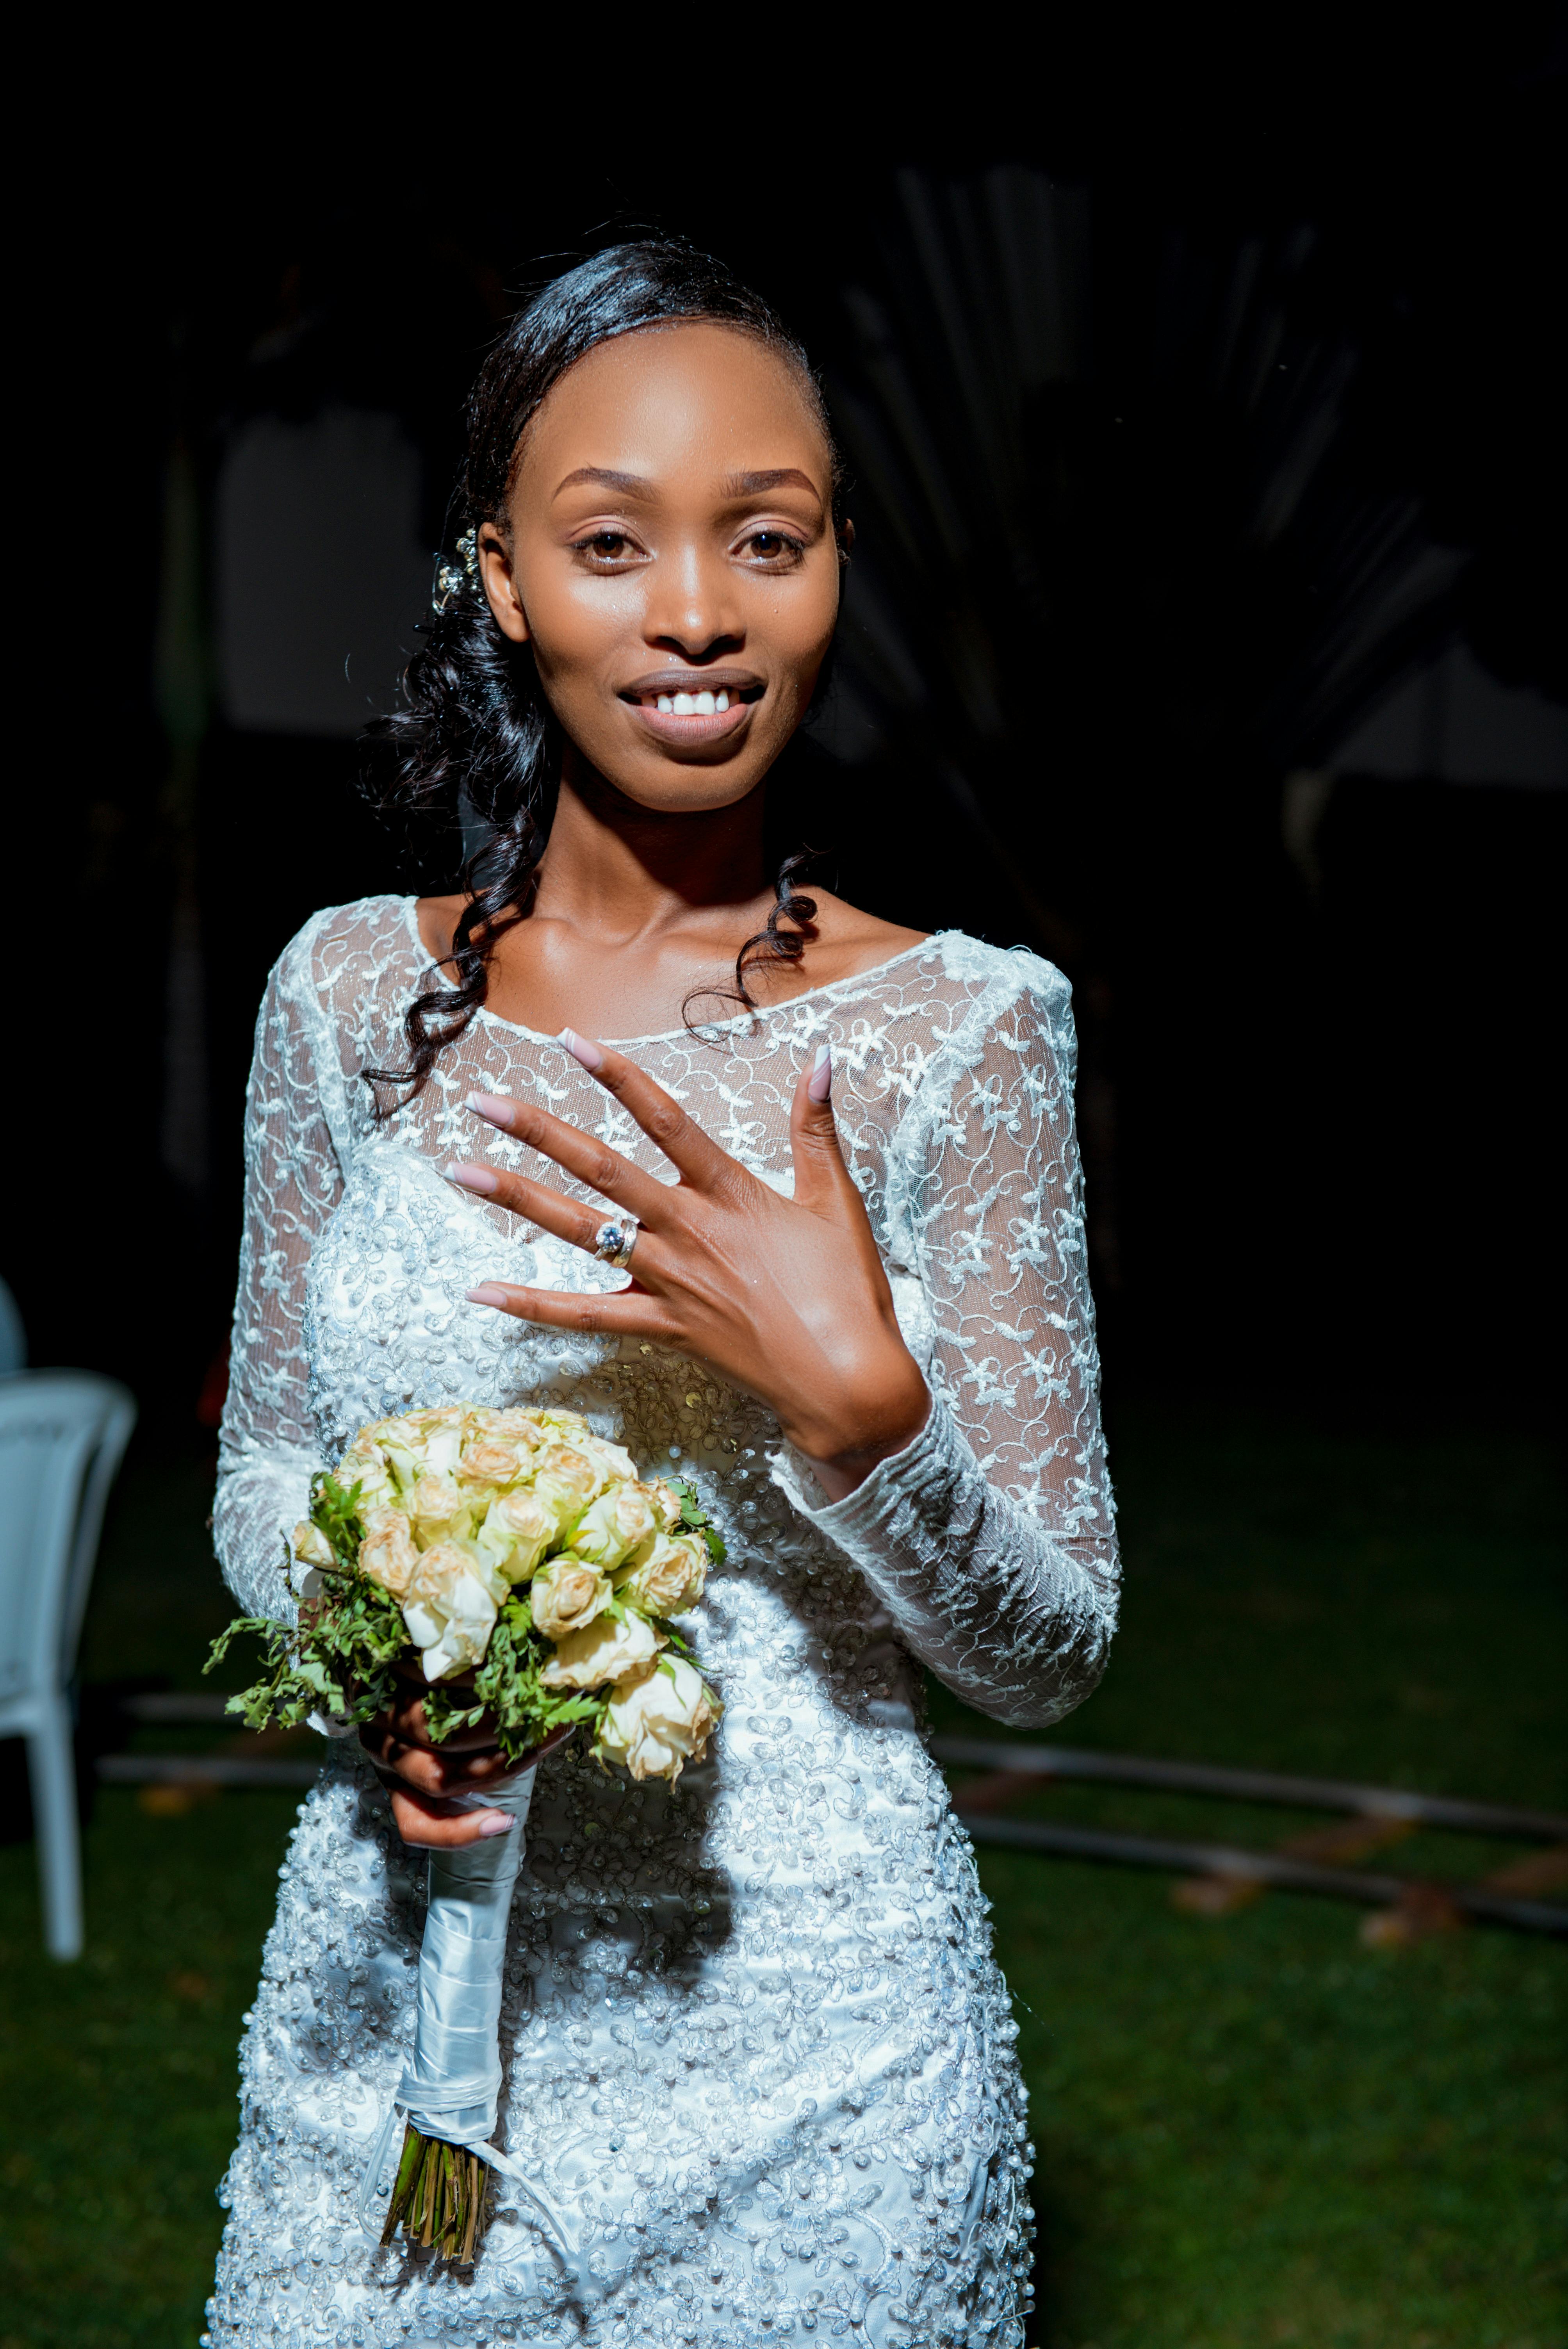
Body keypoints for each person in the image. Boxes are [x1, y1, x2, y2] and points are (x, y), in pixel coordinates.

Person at [206, 241, 1119, 2349]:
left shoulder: (961, 1038)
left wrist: (864, 1417)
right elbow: (265, 1471)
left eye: (765, 540)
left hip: (821, 2063)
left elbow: (1051, 1653)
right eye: (612, 542)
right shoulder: (349, 997)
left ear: (835, 566)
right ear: (506, 580)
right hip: (392, 2032)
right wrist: (386, 1656)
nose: (696, 610)